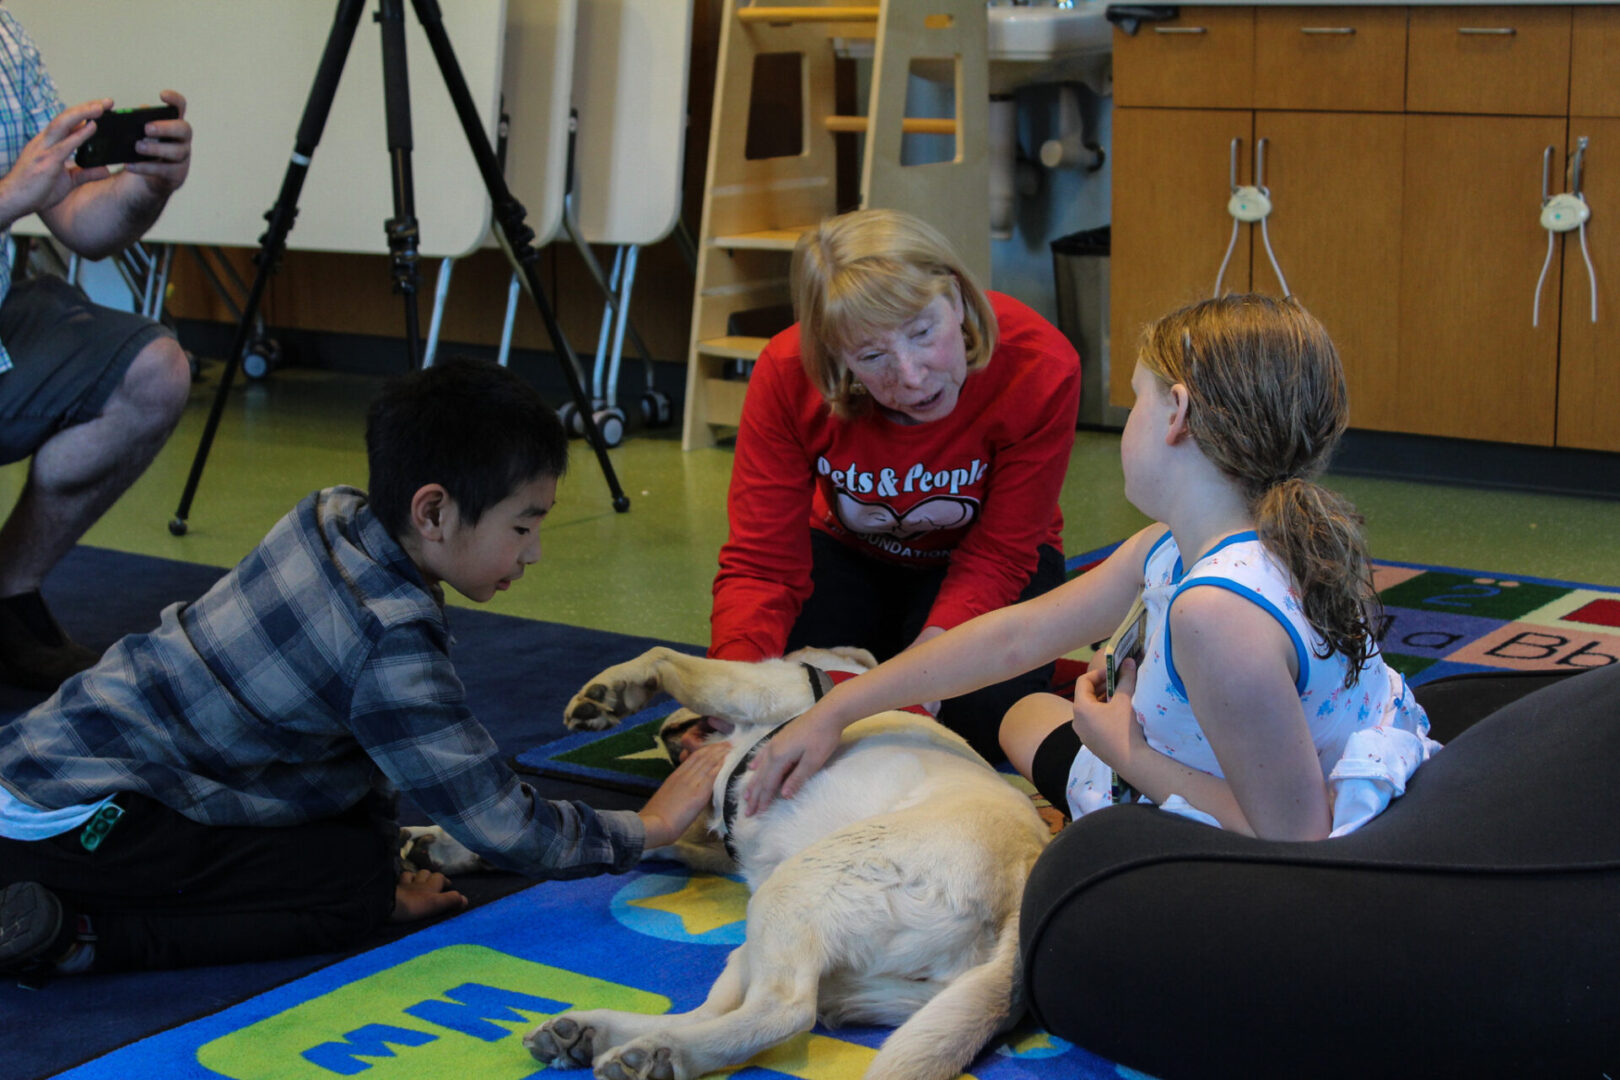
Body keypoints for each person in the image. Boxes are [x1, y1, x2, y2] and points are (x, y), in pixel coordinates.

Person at [0, 358, 728, 980]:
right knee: (347, 892)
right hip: (79, 827)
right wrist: (650, 825)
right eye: (522, 526)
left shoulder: (332, 513)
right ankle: (77, 939)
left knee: (356, 853)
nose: (533, 553)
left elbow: (359, 751)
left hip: (42, 767)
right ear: (433, 511)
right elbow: (501, 824)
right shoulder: (388, 636)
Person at [744, 294, 1438, 842]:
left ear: (1176, 414)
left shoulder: (1216, 611)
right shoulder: (1188, 543)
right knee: (1021, 713)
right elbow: (1013, 636)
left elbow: (1297, 837)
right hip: (1278, 764)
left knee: (1061, 843)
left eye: (1136, 400)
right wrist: (839, 707)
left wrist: (1123, 751)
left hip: (1270, 838)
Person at [709, 208, 1080, 761]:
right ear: (833, 354)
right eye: (871, 356)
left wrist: (922, 678)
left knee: (978, 718)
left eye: (923, 332)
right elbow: (763, 564)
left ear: (956, 298)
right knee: (781, 693)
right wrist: (728, 692)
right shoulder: (786, 370)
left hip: (992, 562)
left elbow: (1001, 555)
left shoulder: (1039, 363)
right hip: (848, 554)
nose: (910, 376)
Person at [0, 8, 195, 691]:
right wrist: (9, 196)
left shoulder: (6, 38)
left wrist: (146, 183)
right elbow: (20, 192)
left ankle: (8, 595)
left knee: (153, 371)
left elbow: (85, 222)